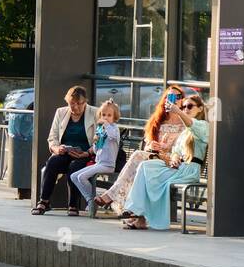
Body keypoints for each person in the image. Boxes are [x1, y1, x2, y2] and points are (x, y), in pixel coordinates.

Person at [96, 84, 187, 217]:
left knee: (138, 157)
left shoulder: (185, 123)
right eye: (170, 96)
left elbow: (184, 149)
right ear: (165, 99)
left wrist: (168, 149)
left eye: (177, 97)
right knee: (140, 165)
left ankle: (112, 196)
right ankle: (134, 215)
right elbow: (147, 147)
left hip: (172, 163)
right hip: (154, 160)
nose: (174, 100)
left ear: (182, 100)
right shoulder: (157, 121)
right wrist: (151, 147)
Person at [121, 94, 208, 231]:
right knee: (145, 165)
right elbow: (176, 151)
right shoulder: (185, 132)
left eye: (190, 106)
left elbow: (192, 125)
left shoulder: (203, 126)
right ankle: (135, 210)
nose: (186, 109)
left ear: (200, 108)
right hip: (179, 167)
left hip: (189, 170)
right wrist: (174, 158)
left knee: (151, 176)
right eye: (183, 106)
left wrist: (177, 111)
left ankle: (138, 214)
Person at [32, 85, 97, 216]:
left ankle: (73, 204)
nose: (76, 107)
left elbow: (100, 140)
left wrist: (88, 152)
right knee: (52, 162)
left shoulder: (95, 113)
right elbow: (52, 138)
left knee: (74, 167)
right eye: (72, 104)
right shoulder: (61, 112)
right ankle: (44, 201)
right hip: (65, 152)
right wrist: (57, 149)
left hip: (85, 154)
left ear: (85, 102)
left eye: (79, 104)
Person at [70, 98, 122, 217]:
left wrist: (106, 125)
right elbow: (96, 150)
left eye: (109, 115)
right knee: (74, 176)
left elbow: (113, 137)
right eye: (103, 115)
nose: (106, 117)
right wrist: (95, 142)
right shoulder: (101, 130)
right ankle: (92, 199)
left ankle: (91, 201)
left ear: (114, 117)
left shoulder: (114, 128)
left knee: (82, 177)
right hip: (99, 163)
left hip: (108, 165)